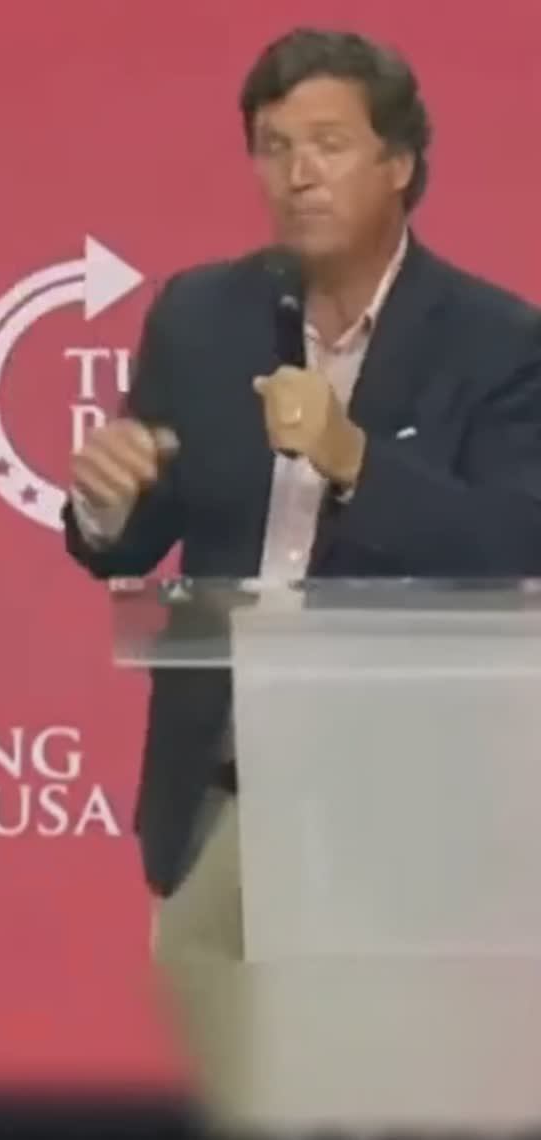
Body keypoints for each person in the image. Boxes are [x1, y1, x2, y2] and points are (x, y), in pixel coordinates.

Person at [63, 26, 541, 1121]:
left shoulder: (499, 342)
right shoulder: (200, 315)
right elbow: (133, 538)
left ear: (399, 163)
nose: (298, 172)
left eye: (328, 143)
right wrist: (107, 499)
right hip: (221, 807)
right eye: (274, 146)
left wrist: (351, 457)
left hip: (403, 818)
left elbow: (515, 542)